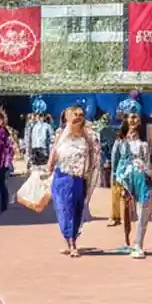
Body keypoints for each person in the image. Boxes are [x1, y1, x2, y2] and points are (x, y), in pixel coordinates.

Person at [47, 103, 101, 257]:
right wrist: (49, 167)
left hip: (79, 180)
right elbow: (54, 153)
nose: (78, 118)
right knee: (65, 210)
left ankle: (71, 239)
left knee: (77, 211)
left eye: (81, 115)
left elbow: (94, 155)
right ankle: (71, 243)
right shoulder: (60, 135)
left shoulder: (87, 136)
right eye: (75, 115)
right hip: (63, 178)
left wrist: (90, 172)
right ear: (67, 118)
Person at [111, 99, 152, 259]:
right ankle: (127, 241)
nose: (134, 120)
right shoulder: (120, 142)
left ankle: (138, 242)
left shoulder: (144, 143)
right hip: (125, 179)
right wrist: (116, 181)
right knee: (126, 209)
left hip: (142, 179)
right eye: (131, 117)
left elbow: (150, 161)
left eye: (136, 117)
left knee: (145, 208)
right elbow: (115, 162)